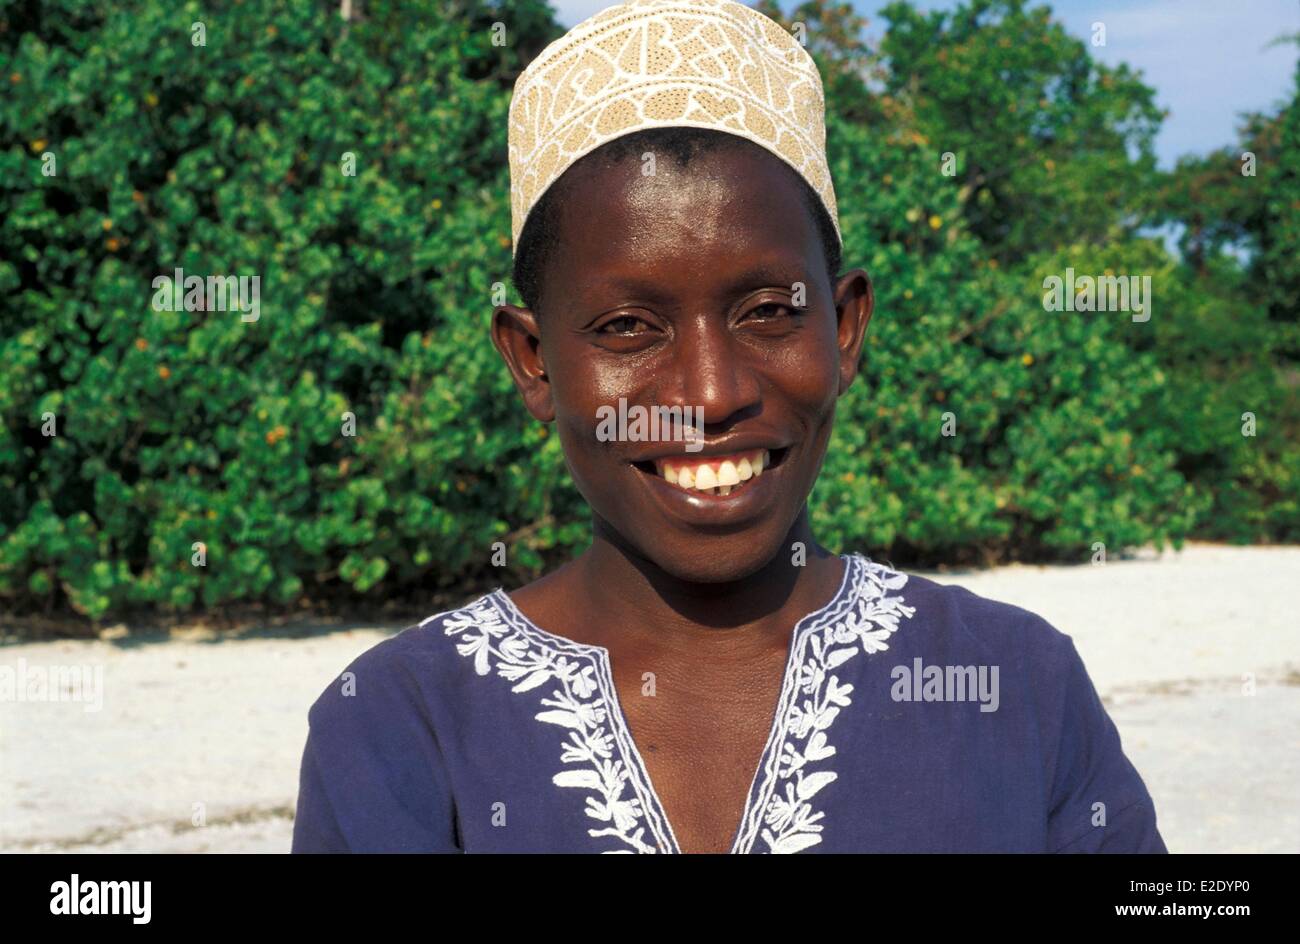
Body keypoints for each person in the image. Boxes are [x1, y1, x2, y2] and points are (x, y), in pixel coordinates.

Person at [291, 0, 1167, 854]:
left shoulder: (1016, 686)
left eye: (766, 312)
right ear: (534, 361)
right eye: (628, 327)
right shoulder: (400, 725)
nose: (710, 396)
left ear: (846, 325)